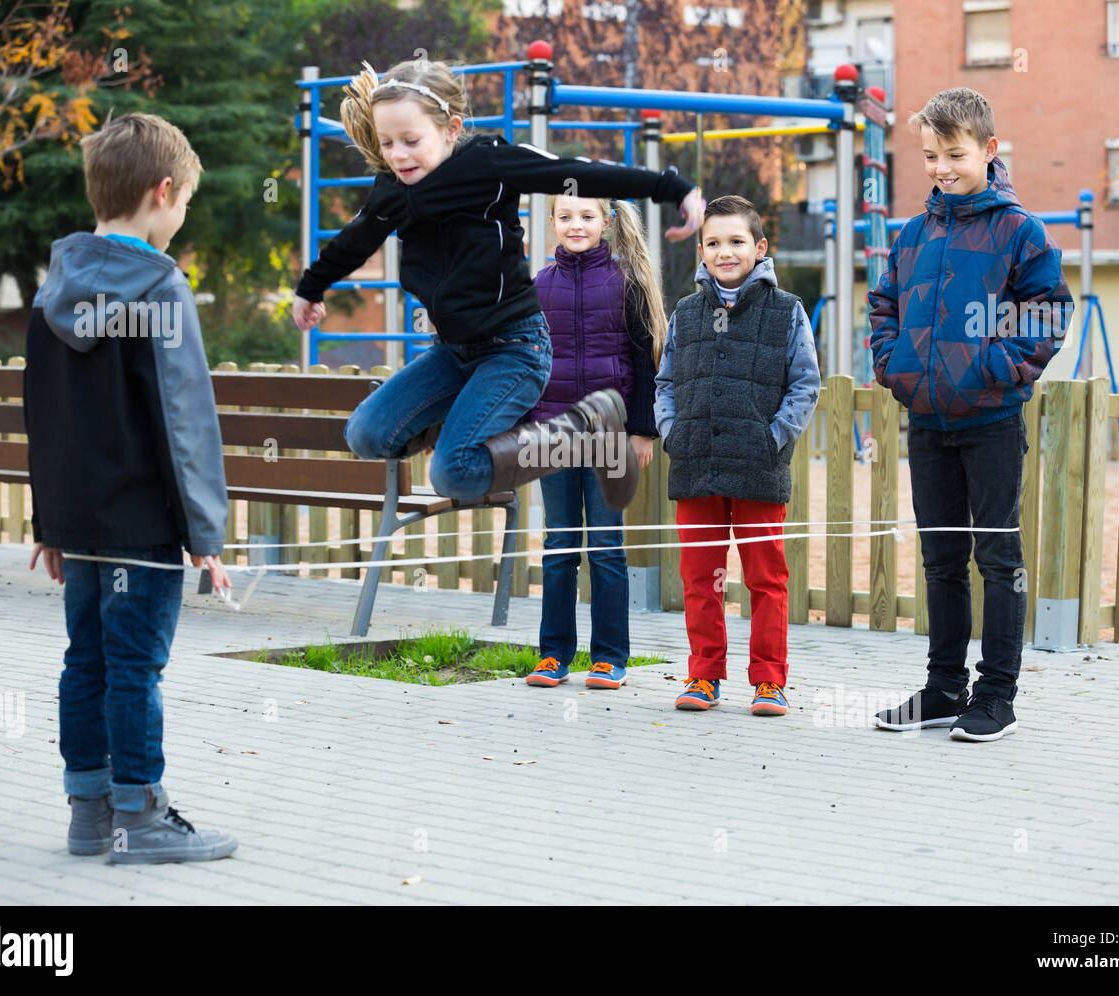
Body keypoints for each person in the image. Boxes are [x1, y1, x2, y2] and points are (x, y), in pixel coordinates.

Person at [291, 60, 704, 510]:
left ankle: (587, 432)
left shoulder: (488, 163)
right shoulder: (392, 191)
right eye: (388, 143)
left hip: (514, 349)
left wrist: (670, 186)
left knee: (452, 474)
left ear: (451, 129)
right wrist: (311, 288)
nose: (398, 155)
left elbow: (575, 172)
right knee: (366, 435)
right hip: (453, 353)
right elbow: (354, 241)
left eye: (411, 141)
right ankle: (458, 427)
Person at [25, 112, 237, 861]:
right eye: (183, 207)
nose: (180, 221)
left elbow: (43, 416)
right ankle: (140, 817)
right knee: (134, 668)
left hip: (80, 524)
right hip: (141, 525)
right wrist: (206, 537)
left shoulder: (56, 289)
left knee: (87, 658)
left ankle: (90, 812)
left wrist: (49, 521)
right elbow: (185, 421)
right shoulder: (162, 286)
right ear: (164, 190)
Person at [869, 87, 1072, 742]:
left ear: (988, 149)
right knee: (940, 559)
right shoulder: (913, 234)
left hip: (989, 422)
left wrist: (993, 370)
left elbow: (1049, 314)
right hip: (928, 423)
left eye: (953, 154)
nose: (940, 168)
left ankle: (997, 696)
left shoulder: (1020, 231)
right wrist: (895, 367)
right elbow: (883, 309)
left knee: (997, 557)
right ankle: (943, 689)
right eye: (930, 155)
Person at [655, 195, 820, 716]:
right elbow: (664, 384)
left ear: (759, 247)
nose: (725, 252)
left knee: (765, 579)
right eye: (714, 243)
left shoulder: (787, 311)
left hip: (759, 466)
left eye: (736, 242)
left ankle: (770, 679)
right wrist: (671, 435)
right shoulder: (685, 313)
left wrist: (774, 438)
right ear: (701, 251)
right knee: (699, 578)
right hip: (695, 463)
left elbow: (805, 385)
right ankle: (704, 675)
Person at [524, 195, 665, 690]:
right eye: (566, 216)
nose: (576, 224)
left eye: (587, 216)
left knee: (606, 547)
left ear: (606, 222)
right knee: (559, 546)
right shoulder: (538, 286)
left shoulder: (627, 285)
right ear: (552, 223)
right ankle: (553, 654)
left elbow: (646, 362)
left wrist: (643, 430)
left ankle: (609, 656)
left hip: (610, 437)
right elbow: (527, 363)